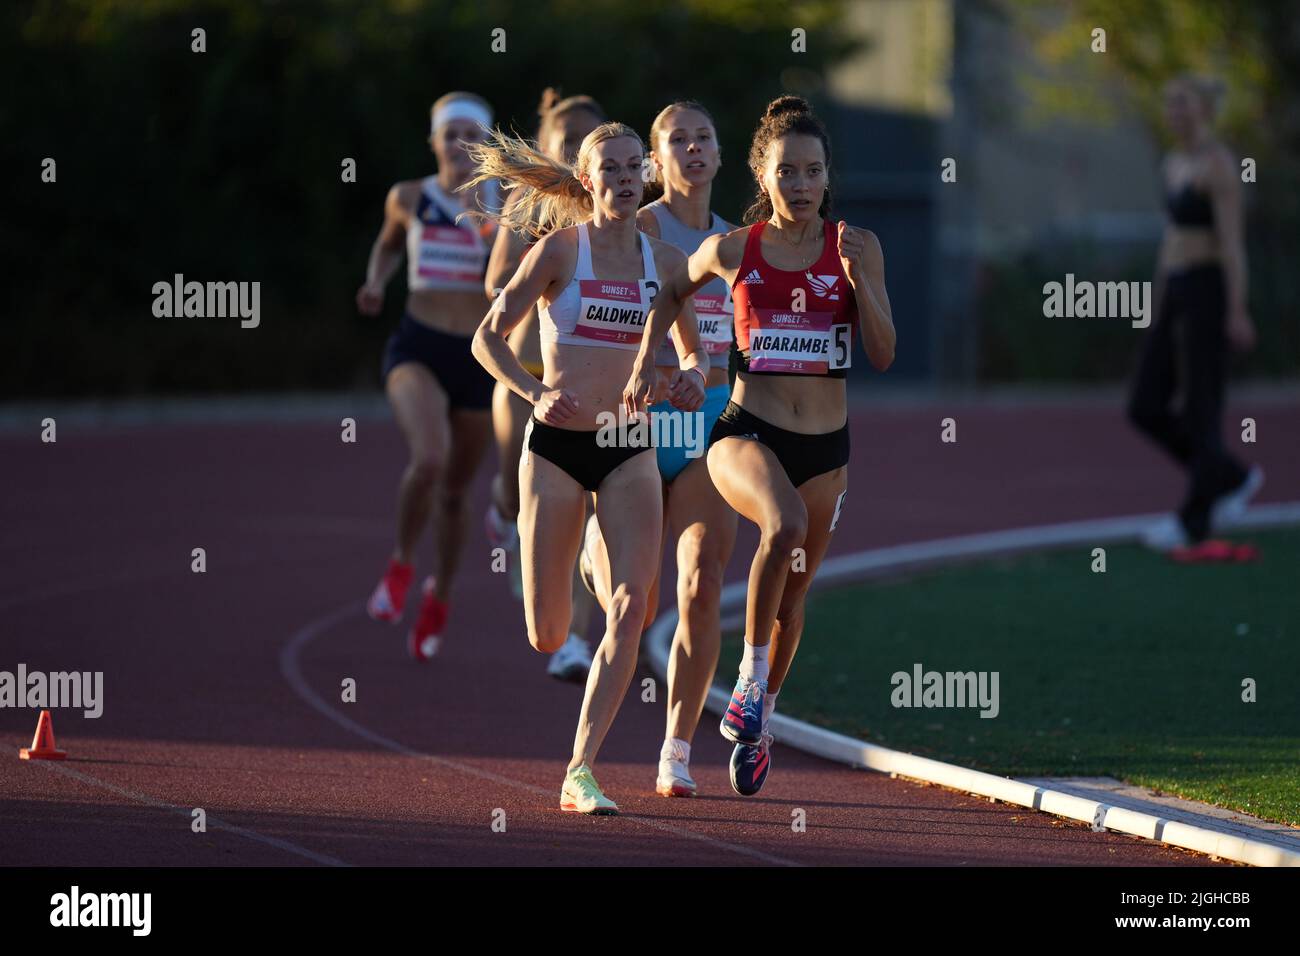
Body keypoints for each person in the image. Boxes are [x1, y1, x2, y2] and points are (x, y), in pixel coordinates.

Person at [625, 95, 895, 796]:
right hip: (743, 431)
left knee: (790, 606)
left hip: (826, 450)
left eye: (812, 173)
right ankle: (746, 681)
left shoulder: (856, 247)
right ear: (762, 175)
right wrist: (657, 359)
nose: (800, 186)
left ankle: (762, 717)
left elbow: (885, 353)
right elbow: (671, 292)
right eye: (787, 173)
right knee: (782, 523)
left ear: (827, 177)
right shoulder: (733, 249)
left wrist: (862, 284)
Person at [467, 122, 707, 814]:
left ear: (647, 177)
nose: (626, 178)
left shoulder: (665, 264)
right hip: (558, 451)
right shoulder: (558, 253)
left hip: (629, 447)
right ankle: (582, 554)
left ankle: (579, 770)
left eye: (636, 166)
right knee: (547, 632)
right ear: (587, 178)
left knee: (634, 609)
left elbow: (695, 357)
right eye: (612, 167)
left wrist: (690, 378)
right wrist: (535, 390)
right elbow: (488, 339)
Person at [576, 101, 738, 797]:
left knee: (701, 583)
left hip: (707, 429)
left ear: (722, 154)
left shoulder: (739, 243)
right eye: (678, 140)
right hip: (634, 428)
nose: (694, 149)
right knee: (632, 605)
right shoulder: (632, 230)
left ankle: (675, 749)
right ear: (653, 163)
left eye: (705, 137)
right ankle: (588, 541)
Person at [356, 92, 502, 660]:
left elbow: (523, 268)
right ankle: (400, 560)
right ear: (434, 140)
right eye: (450, 133)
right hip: (417, 345)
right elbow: (388, 246)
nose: (460, 143)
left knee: (456, 492)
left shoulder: (503, 204)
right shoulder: (409, 196)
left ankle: (439, 592)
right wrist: (375, 280)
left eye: (472, 134)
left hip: (478, 357)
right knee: (430, 459)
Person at [483, 88, 606, 681]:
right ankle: (506, 517)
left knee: (587, 510)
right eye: (567, 140)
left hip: (586, 385)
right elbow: (494, 289)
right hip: (524, 374)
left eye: (591, 137)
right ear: (548, 144)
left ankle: (575, 642)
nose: (578, 150)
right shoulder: (527, 204)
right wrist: (545, 258)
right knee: (515, 493)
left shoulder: (612, 206)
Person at [1128, 74, 1263, 559]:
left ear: (1204, 109)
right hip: (1176, 289)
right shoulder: (1173, 164)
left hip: (1209, 289)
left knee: (1201, 409)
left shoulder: (1219, 166)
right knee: (1145, 404)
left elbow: (1232, 245)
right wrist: (1156, 302)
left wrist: (1237, 309)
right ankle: (1231, 477)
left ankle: (1193, 519)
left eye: (1182, 103)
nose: (1174, 112)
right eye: (1169, 103)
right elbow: (1169, 241)